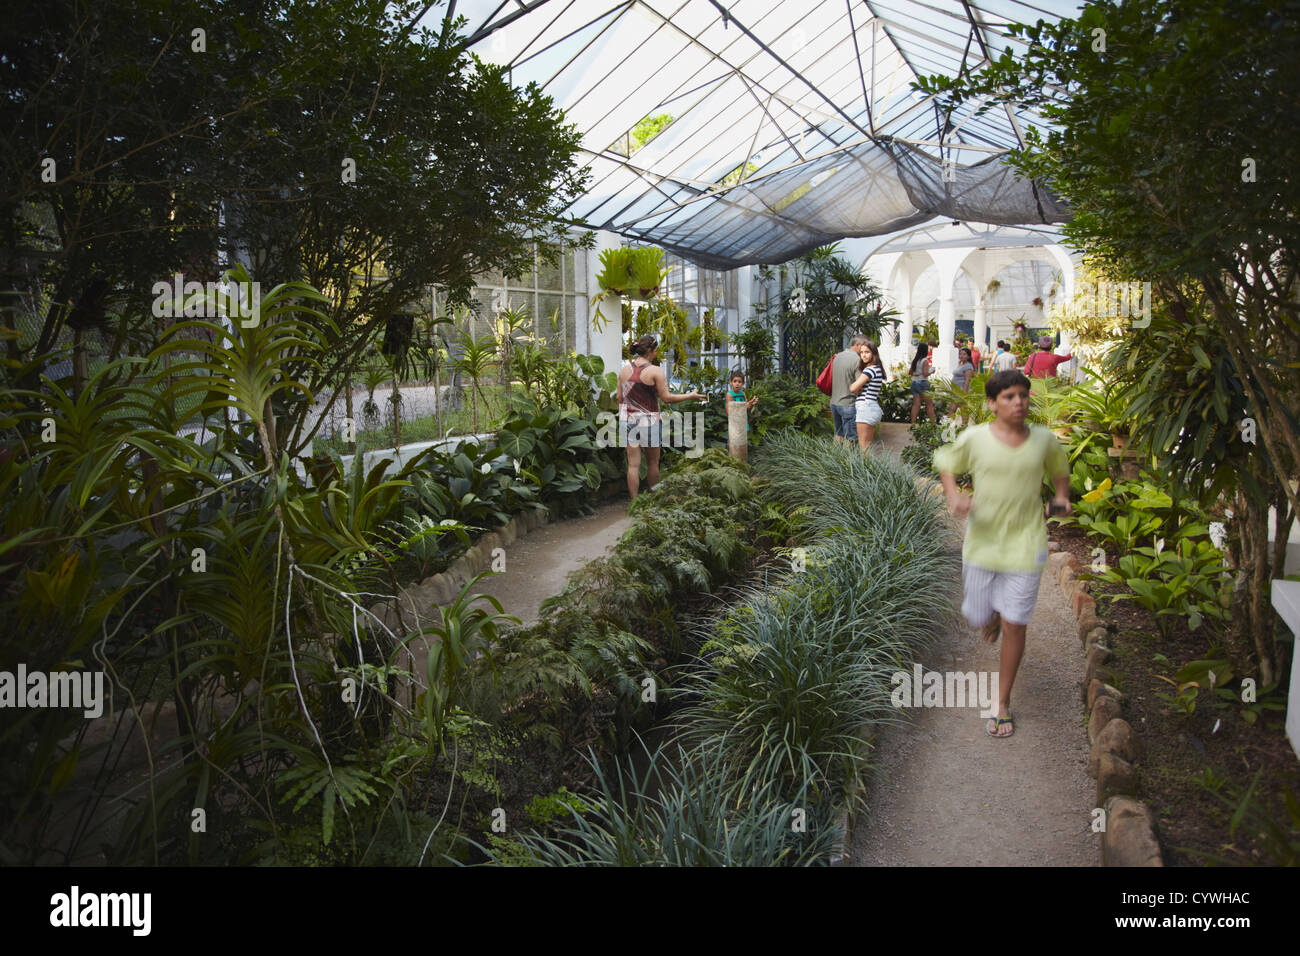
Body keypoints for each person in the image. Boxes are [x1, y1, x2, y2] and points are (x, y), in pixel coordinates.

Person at [933, 369, 1072, 738]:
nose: (1019, 402)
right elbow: (946, 461)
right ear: (992, 404)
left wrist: (1061, 497)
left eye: (1023, 395)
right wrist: (954, 496)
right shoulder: (976, 438)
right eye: (1009, 396)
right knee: (977, 613)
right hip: (982, 545)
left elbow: (1060, 472)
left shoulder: (1043, 440)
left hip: (1026, 545)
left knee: (1016, 623)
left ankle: (1002, 702)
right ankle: (989, 615)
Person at [617, 335, 705, 500]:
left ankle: (634, 502)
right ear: (650, 351)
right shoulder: (655, 371)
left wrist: (625, 419)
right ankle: (653, 501)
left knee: (633, 465)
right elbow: (667, 398)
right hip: (649, 422)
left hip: (627, 422)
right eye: (656, 351)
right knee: (652, 463)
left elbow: (619, 399)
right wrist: (691, 395)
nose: (656, 354)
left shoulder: (623, 371)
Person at [829, 334, 871, 442]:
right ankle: (848, 459)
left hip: (834, 403)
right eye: (864, 345)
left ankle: (834, 457)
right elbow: (858, 385)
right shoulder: (857, 360)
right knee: (851, 439)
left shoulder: (837, 356)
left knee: (839, 434)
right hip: (848, 404)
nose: (867, 348)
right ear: (857, 344)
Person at [848, 338, 886, 451]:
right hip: (872, 407)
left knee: (863, 447)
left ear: (874, 353)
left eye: (867, 352)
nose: (863, 355)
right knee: (868, 447)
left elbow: (853, 388)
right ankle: (870, 468)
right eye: (861, 353)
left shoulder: (869, 370)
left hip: (865, 408)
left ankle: (865, 469)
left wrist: (852, 386)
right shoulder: (878, 369)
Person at [908, 342, 936, 424]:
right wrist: (931, 371)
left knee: (916, 404)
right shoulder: (925, 360)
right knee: (929, 404)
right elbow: (925, 373)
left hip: (914, 382)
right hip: (923, 383)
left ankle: (913, 423)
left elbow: (910, 372)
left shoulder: (915, 360)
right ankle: (933, 423)